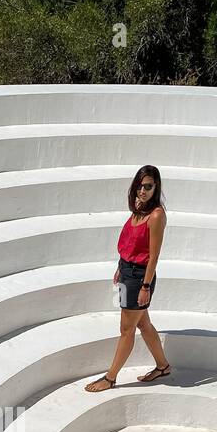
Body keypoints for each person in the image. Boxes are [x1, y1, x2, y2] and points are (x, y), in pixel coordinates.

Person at [85, 165, 172, 392]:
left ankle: (110, 377)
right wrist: (119, 267)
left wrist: (145, 286)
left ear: (156, 187)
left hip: (138, 277)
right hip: (126, 271)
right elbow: (129, 243)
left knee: (126, 329)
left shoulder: (156, 215)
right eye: (140, 186)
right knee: (143, 323)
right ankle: (163, 366)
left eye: (148, 186)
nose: (143, 191)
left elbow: (153, 257)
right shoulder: (138, 209)